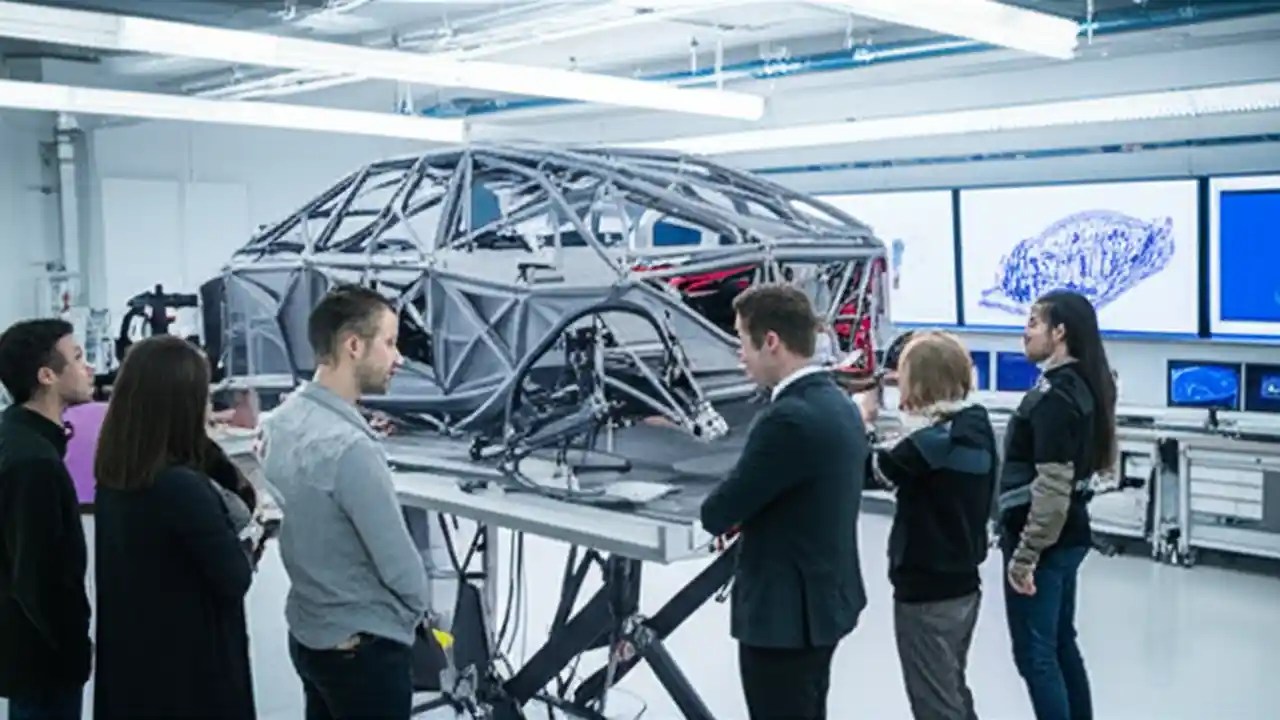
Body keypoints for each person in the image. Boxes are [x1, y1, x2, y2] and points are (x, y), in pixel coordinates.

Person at [260, 284, 429, 720]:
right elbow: (400, 567)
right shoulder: (350, 448)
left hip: (312, 638)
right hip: (363, 652)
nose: (399, 358)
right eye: (389, 343)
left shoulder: (280, 424)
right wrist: (417, 614)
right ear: (354, 346)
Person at [700, 283, 867, 720]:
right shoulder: (838, 403)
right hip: (823, 605)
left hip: (784, 621)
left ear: (770, 341)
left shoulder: (786, 420)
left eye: (742, 339)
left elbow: (718, 511)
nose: (741, 354)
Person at [92, 335, 258, 719]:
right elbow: (234, 578)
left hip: (139, 669)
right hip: (193, 677)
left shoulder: (119, 474)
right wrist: (251, 536)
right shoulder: (181, 487)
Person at [998, 290, 1116, 720]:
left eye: (1033, 322)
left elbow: (1051, 486)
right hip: (1071, 535)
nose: (1024, 333)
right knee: (1061, 643)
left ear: (1060, 331)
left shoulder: (1052, 400)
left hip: (1044, 542)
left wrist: (1026, 555)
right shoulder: (1088, 388)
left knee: (1036, 656)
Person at [868, 331, 997, 720]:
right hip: (962, 586)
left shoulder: (929, 445)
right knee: (952, 691)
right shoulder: (975, 426)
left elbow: (866, 470)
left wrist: (861, 415)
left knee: (936, 705)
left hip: (926, 594)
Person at [0, 319, 94, 720]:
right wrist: (74, 647)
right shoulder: (33, 462)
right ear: (47, 375)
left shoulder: (22, 441)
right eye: (77, 358)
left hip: (28, 653)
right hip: (40, 661)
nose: (88, 368)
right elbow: (37, 576)